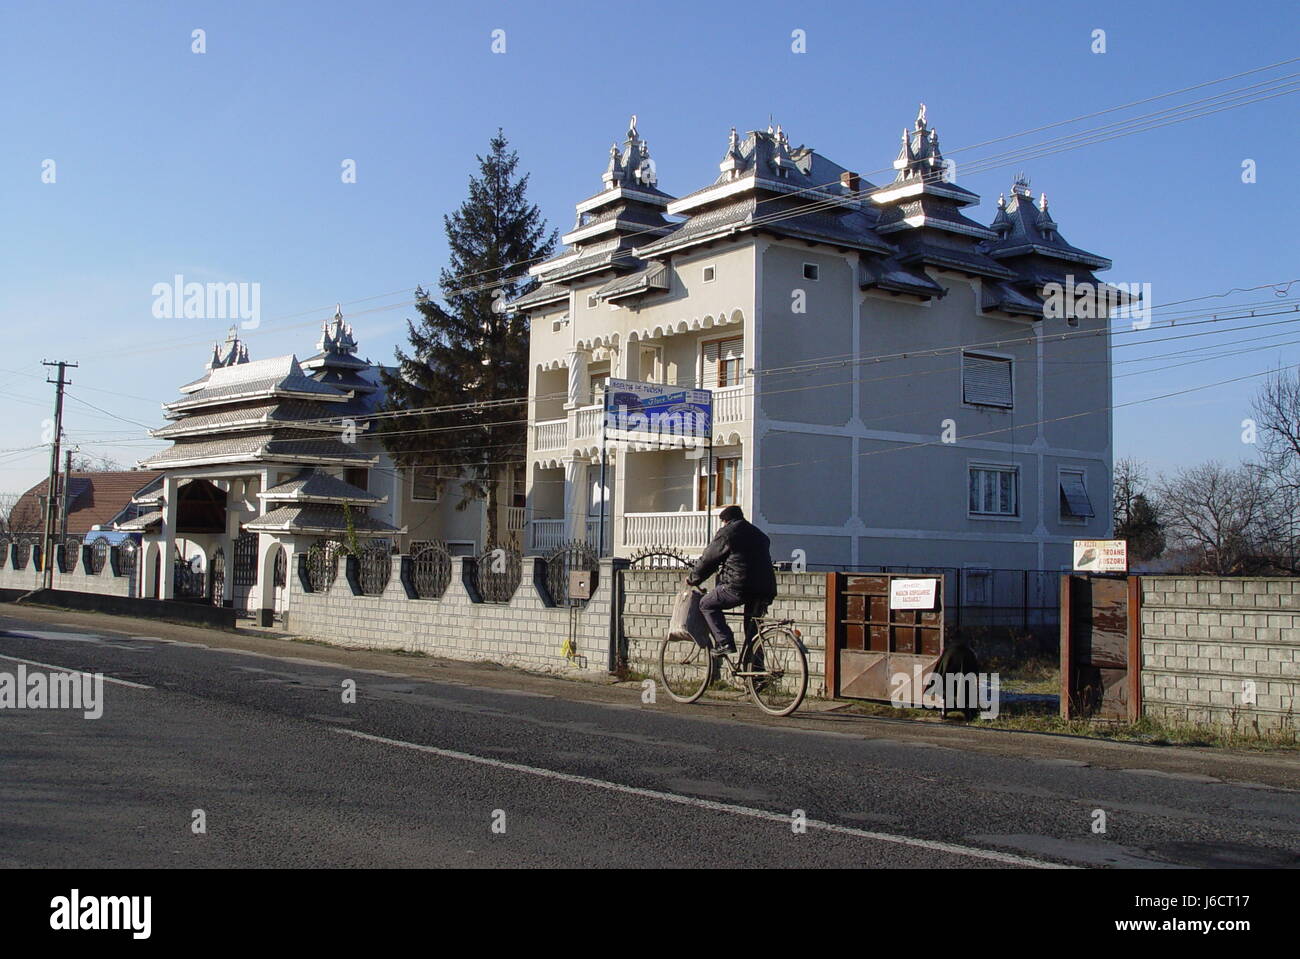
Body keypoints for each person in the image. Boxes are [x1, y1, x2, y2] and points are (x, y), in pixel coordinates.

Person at [685, 505, 777, 656]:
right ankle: (757, 673)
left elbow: (709, 559)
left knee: (706, 604)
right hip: (766, 589)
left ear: (726, 520)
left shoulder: (727, 533)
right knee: (753, 633)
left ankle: (725, 641)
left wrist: (694, 579)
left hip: (739, 586)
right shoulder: (759, 534)